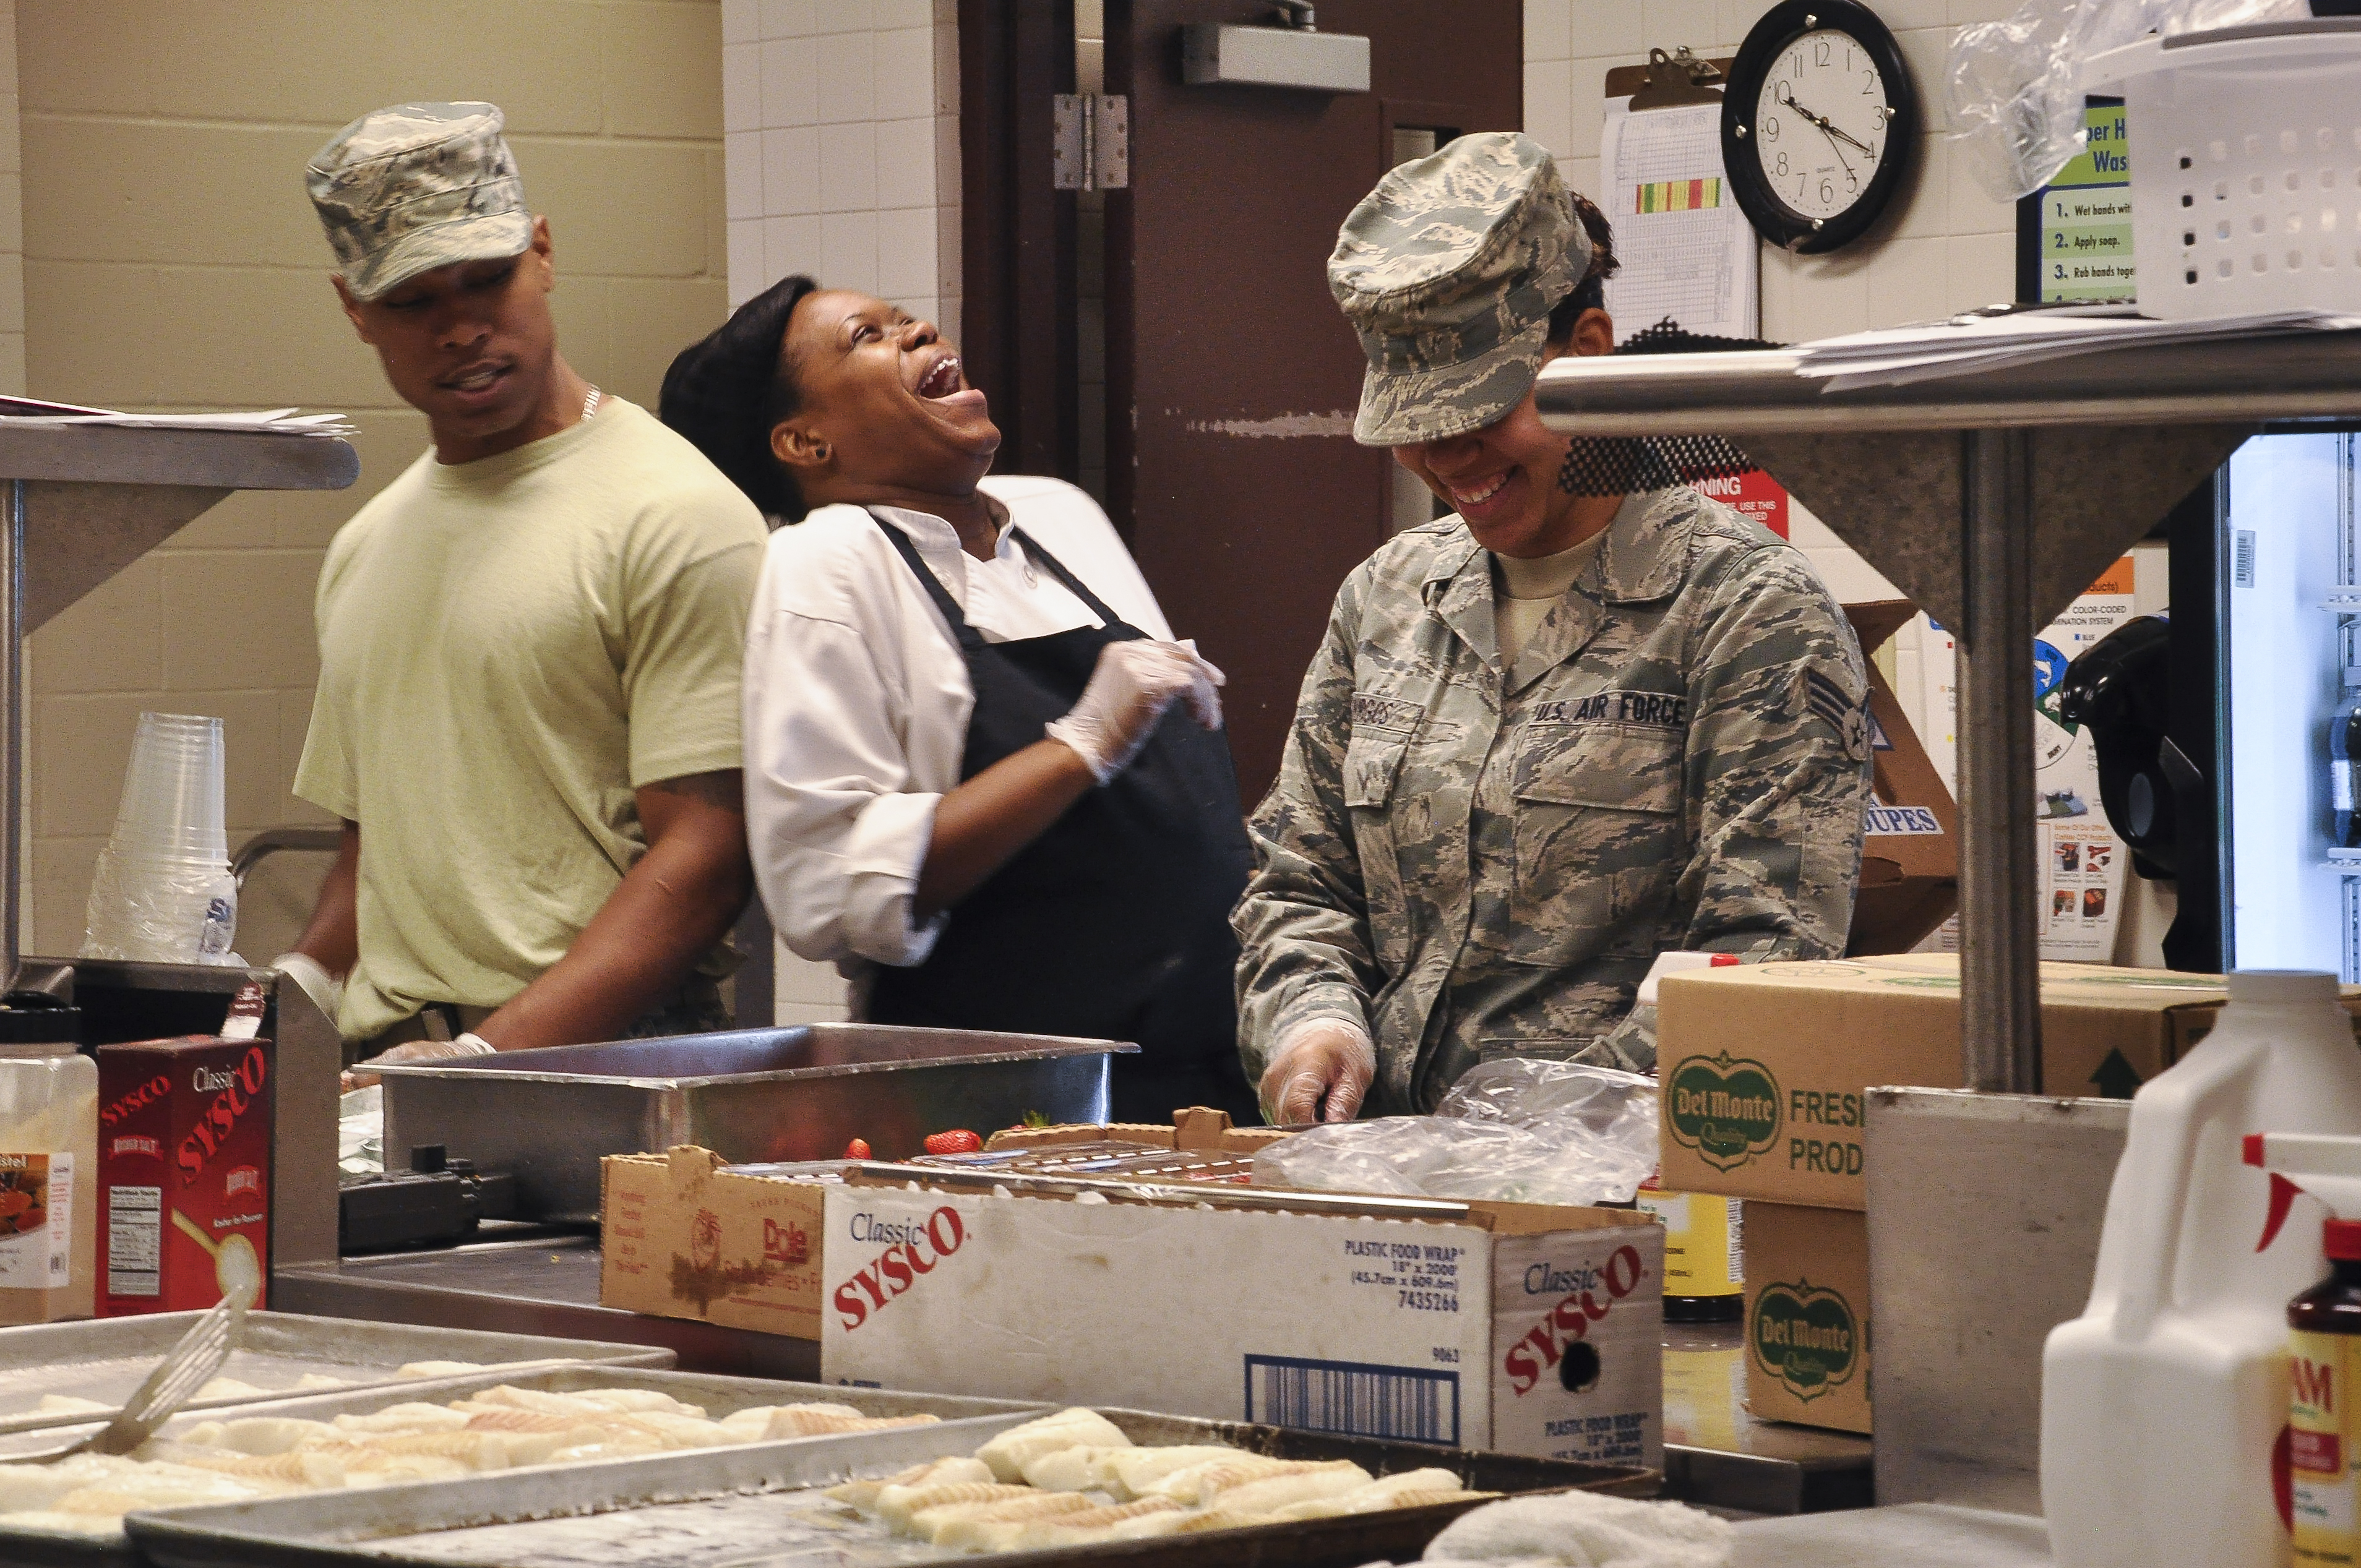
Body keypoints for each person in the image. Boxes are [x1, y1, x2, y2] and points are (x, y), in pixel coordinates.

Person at [1234, 132, 1873, 1123]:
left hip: (1620, 1187)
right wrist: (1316, 1024)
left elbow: (1764, 951)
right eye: (1417, 425)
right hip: (1379, 1171)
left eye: (1483, 410)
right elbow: (1300, 882)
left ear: (1590, 353)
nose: (1450, 458)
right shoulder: (1388, 599)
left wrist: (1533, 1133)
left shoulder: (1745, 609)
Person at [660, 277, 1258, 1125]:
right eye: (868, 336)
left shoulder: (1062, 516)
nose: (918, 333)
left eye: (906, 320)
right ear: (806, 442)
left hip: (1211, 1070)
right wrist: (1081, 742)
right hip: (1015, 1105)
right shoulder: (826, 563)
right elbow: (825, 888)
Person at [279, 103, 766, 1067]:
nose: (461, 328)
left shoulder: (676, 514)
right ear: (355, 309)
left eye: (487, 279)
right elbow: (373, 856)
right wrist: (276, 1009)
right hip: (394, 1064)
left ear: (541, 252)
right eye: (413, 301)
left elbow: (707, 862)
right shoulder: (365, 546)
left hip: (602, 1067)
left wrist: (485, 1062)